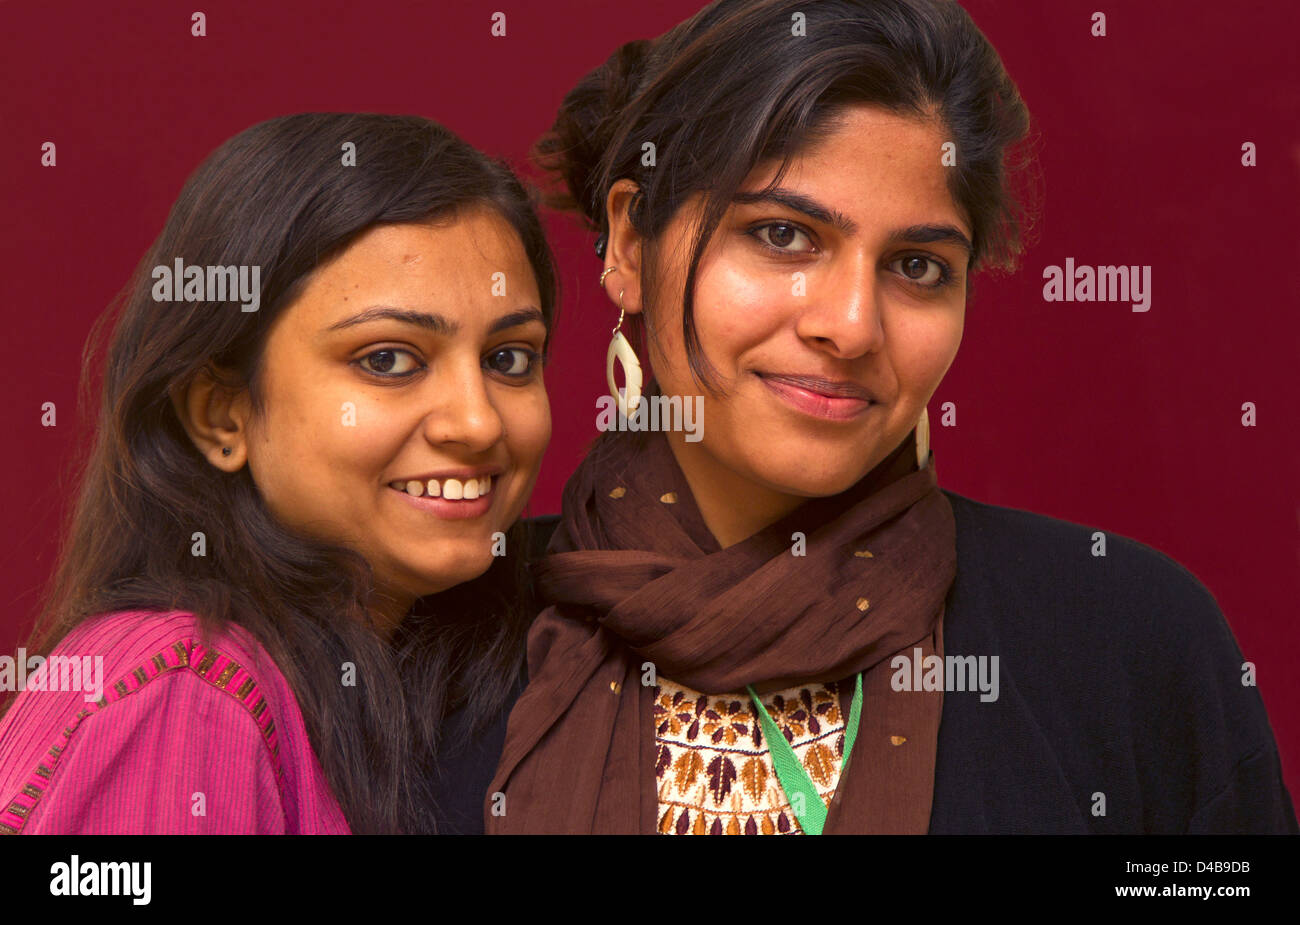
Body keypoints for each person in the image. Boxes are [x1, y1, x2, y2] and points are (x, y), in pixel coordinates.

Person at [456, 0, 1297, 834]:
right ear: (633, 246)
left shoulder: (1123, 637)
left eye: (918, 266)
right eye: (784, 235)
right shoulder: (445, 635)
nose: (852, 325)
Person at [0, 112, 557, 834]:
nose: (478, 422)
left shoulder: (411, 685)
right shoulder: (184, 693)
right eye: (387, 359)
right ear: (221, 414)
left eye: (508, 358)